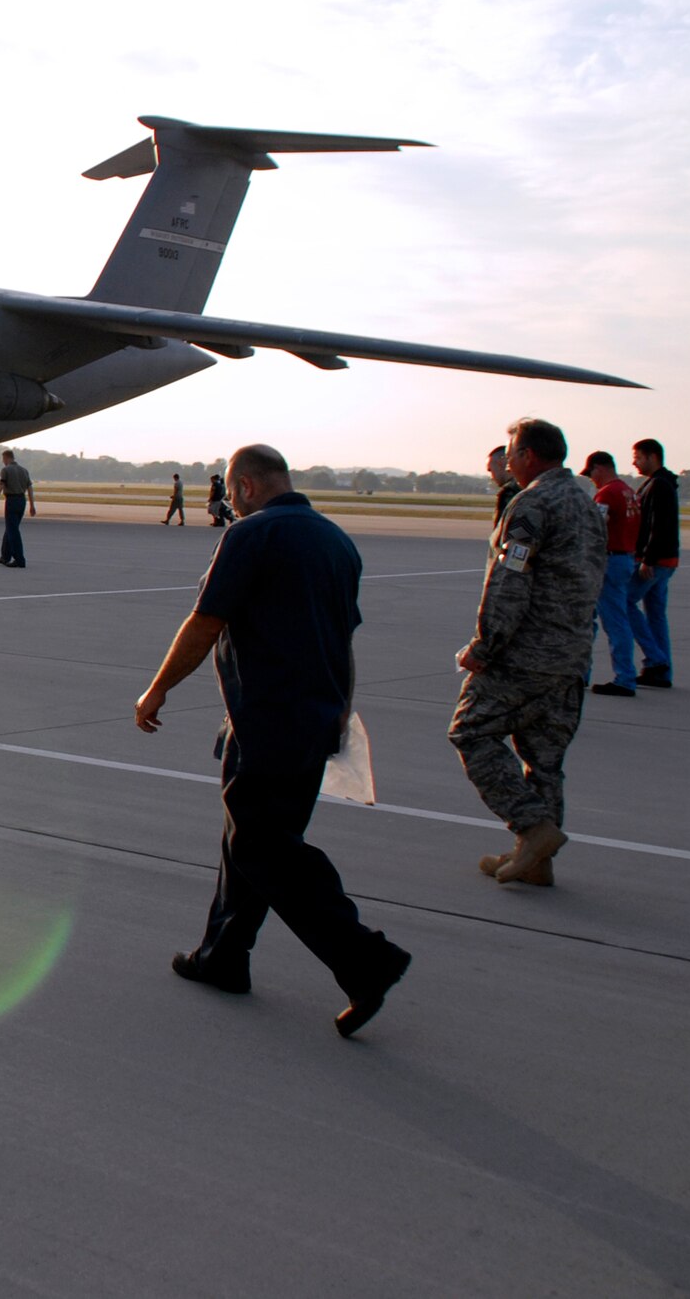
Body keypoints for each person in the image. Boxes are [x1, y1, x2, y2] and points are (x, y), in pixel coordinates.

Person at [135, 443, 409, 1038]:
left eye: (232, 493)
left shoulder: (251, 535)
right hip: (315, 717)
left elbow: (206, 620)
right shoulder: (336, 540)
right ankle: (223, 956)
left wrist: (156, 690)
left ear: (246, 487)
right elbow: (343, 638)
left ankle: (364, 958)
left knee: (264, 847)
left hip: (267, 718)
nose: (231, 503)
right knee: (249, 840)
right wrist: (341, 709)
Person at [448, 419, 603, 887]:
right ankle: (535, 863)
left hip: (527, 654)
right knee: (545, 759)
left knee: (470, 732)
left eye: (512, 452)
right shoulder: (584, 502)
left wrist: (485, 645)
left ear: (529, 456)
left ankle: (533, 829)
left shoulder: (533, 502)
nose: (508, 461)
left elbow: (510, 581)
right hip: (571, 654)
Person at [581, 450, 640, 697]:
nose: (592, 479)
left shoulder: (607, 493)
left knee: (612, 621)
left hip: (609, 560)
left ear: (600, 468)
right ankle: (582, 673)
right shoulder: (628, 491)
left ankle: (624, 678)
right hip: (625, 557)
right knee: (602, 618)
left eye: (592, 473)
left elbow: (594, 526)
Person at [627, 437, 680, 688]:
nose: (634, 463)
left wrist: (647, 558)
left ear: (652, 457)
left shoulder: (658, 486)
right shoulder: (662, 483)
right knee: (656, 615)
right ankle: (661, 672)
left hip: (655, 561)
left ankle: (656, 660)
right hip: (666, 560)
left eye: (637, 457)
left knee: (625, 602)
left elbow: (658, 525)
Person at [0, 449, 32, 568]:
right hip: (22, 501)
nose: (3, 461)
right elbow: (30, 488)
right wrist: (32, 505)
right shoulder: (24, 470)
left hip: (11, 501)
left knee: (13, 531)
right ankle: (5, 556)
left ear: (6, 458)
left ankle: (19, 559)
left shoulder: (6, 470)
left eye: (3, 459)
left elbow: (0, 486)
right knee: (11, 528)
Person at [487, 444, 520, 524]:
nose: (491, 477)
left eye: (490, 470)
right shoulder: (530, 485)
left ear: (501, 463)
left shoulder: (509, 491)